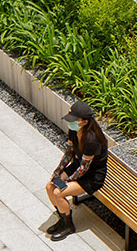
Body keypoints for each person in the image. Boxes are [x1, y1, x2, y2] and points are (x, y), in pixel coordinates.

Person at [43, 101, 108, 240]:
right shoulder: (74, 131)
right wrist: (58, 172)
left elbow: (84, 168)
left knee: (57, 192)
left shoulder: (92, 141)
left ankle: (68, 226)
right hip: (78, 166)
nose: (70, 123)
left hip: (92, 176)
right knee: (49, 186)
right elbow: (69, 153)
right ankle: (62, 218)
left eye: (74, 120)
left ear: (84, 122)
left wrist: (66, 182)